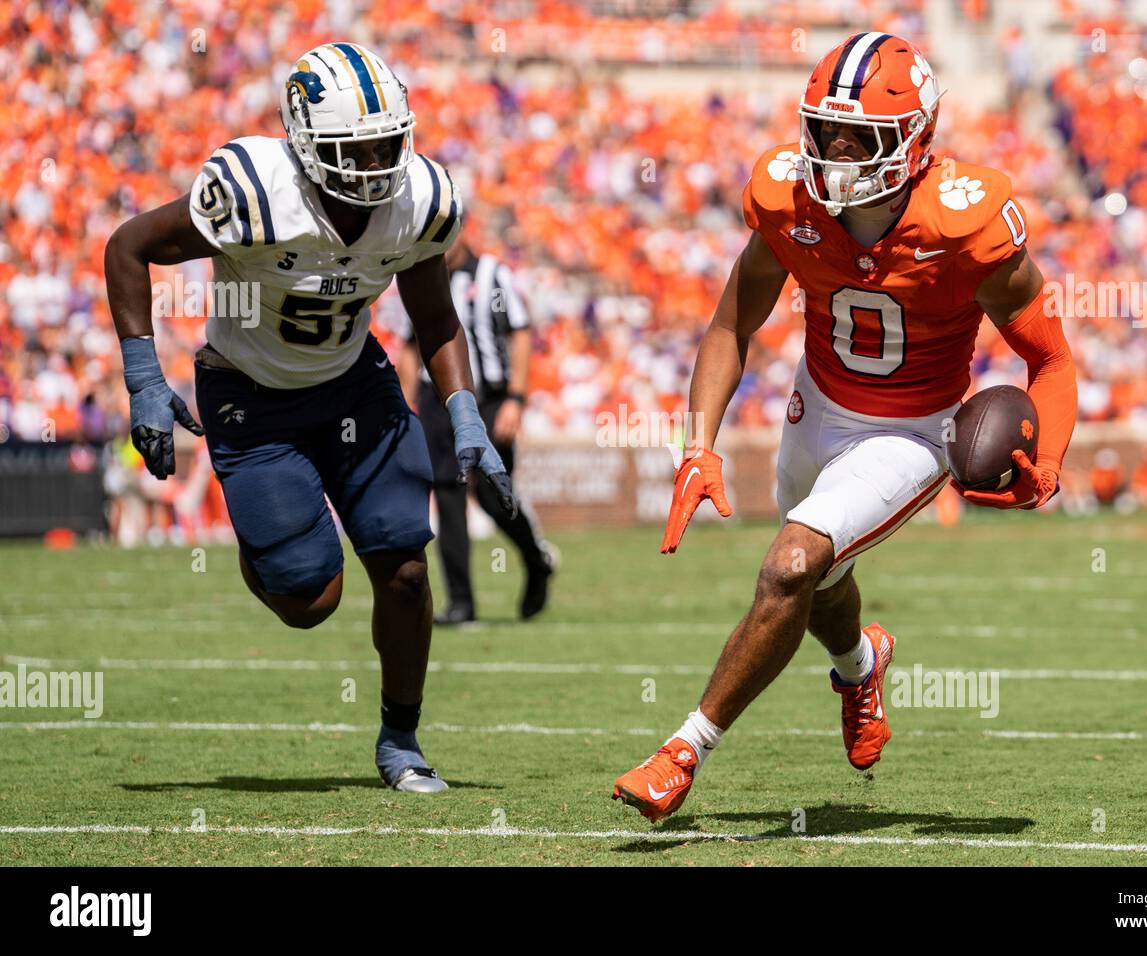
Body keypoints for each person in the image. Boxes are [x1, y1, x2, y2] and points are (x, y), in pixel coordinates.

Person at [612, 33, 1078, 822]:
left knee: (792, 565)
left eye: (859, 137)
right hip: (815, 403)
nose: (836, 151)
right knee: (820, 578)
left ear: (916, 140)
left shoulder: (963, 224)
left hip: (916, 428)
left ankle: (685, 749)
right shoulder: (787, 199)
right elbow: (732, 321)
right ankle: (861, 667)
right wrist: (699, 444)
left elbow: (1053, 361)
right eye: (826, 132)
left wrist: (1051, 460)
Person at [104, 43, 514, 793]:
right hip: (250, 395)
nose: (374, 163)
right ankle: (271, 550)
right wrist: (142, 379)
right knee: (309, 599)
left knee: (405, 571)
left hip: (355, 386)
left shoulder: (420, 198)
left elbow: (433, 312)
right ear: (303, 141)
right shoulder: (255, 191)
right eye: (353, 148)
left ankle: (401, 740)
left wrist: (465, 413)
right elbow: (128, 245)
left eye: (387, 142)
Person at [399, 237, 555, 624]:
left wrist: (516, 399)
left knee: (493, 494)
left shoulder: (492, 274)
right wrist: (405, 404)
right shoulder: (421, 274)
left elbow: (519, 332)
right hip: (437, 400)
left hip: (488, 398)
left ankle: (535, 560)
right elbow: (408, 343)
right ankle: (461, 603)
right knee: (447, 496)